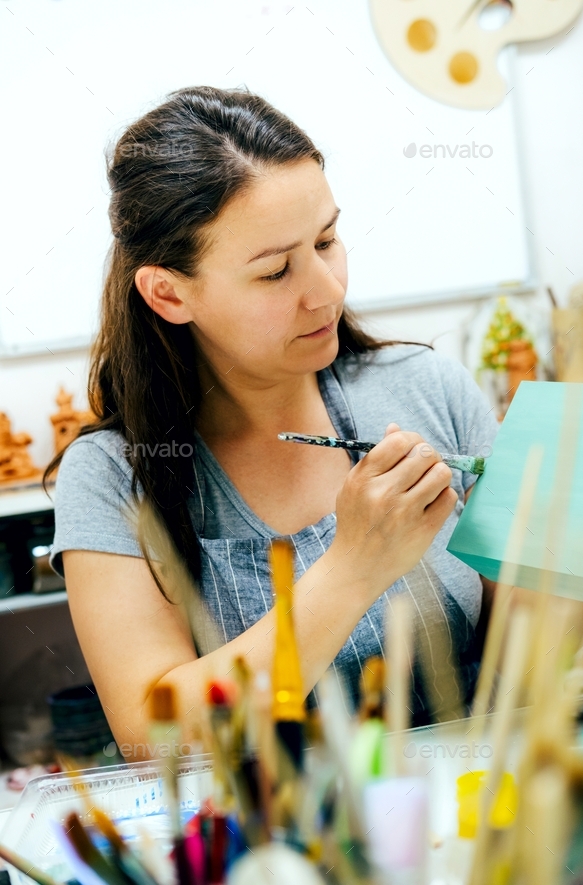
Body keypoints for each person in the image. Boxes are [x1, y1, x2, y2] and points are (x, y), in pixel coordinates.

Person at [47, 86, 498, 758]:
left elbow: (526, 657)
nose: (326, 290)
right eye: (276, 271)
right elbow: (154, 734)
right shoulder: (111, 475)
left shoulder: (430, 388)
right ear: (169, 292)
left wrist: (563, 536)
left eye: (327, 239)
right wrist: (351, 568)